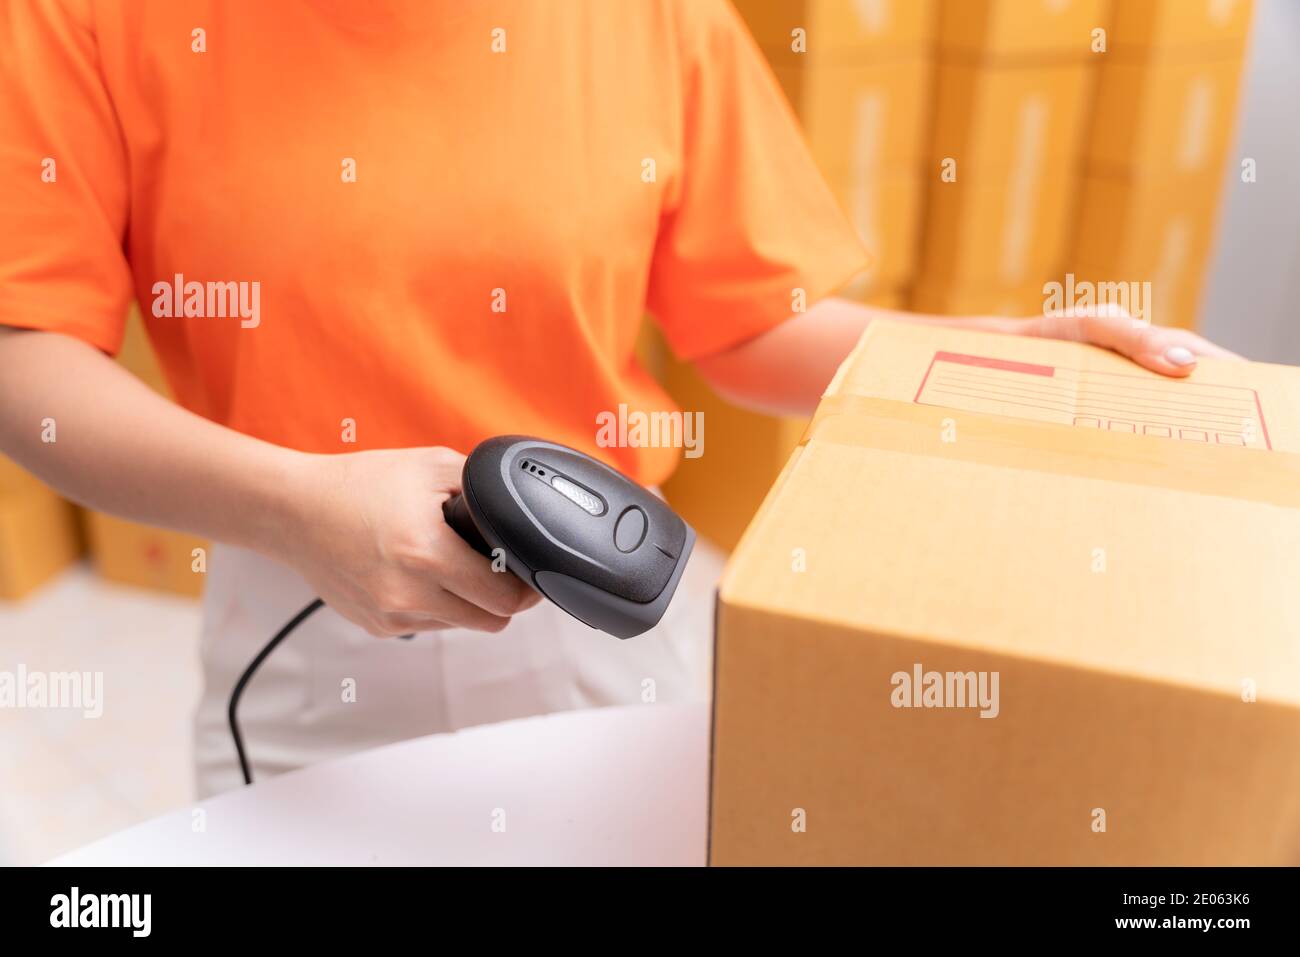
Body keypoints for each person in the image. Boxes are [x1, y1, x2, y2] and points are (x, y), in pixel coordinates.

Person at [0, 0, 1237, 796]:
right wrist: (295, 503)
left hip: (603, 593)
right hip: (305, 599)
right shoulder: (88, 19)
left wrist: (1003, 353)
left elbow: (752, 327)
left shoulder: (652, 17)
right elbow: (26, 358)